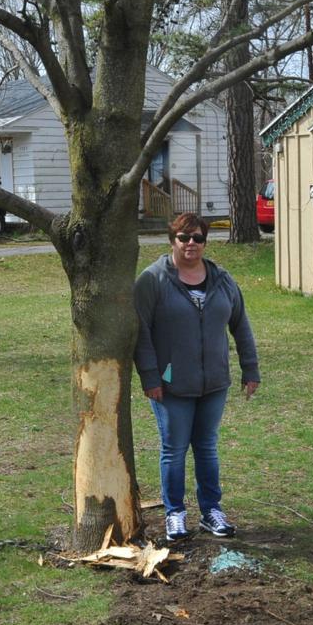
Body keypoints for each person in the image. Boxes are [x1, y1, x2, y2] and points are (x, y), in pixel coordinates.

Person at [134, 213, 260, 541]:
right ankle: (175, 513)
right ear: (171, 240)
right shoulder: (153, 280)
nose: (191, 244)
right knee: (174, 449)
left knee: (206, 448)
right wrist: (151, 377)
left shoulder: (222, 279)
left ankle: (211, 512)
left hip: (214, 382)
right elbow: (141, 333)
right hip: (171, 383)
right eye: (184, 237)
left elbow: (240, 325)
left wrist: (251, 369)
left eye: (198, 238)